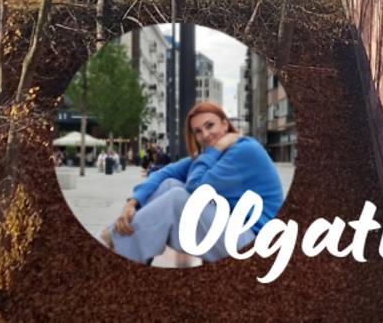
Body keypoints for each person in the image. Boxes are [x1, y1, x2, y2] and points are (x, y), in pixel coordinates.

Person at [99, 102, 284, 265]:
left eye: (210, 125)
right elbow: (163, 173)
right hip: (236, 233)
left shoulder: (244, 150)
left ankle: (113, 241)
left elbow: (196, 188)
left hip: (255, 243)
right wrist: (132, 203)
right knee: (170, 184)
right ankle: (121, 240)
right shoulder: (212, 155)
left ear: (225, 123)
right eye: (198, 131)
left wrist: (215, 149)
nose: (205, 135)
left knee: (177, 198)